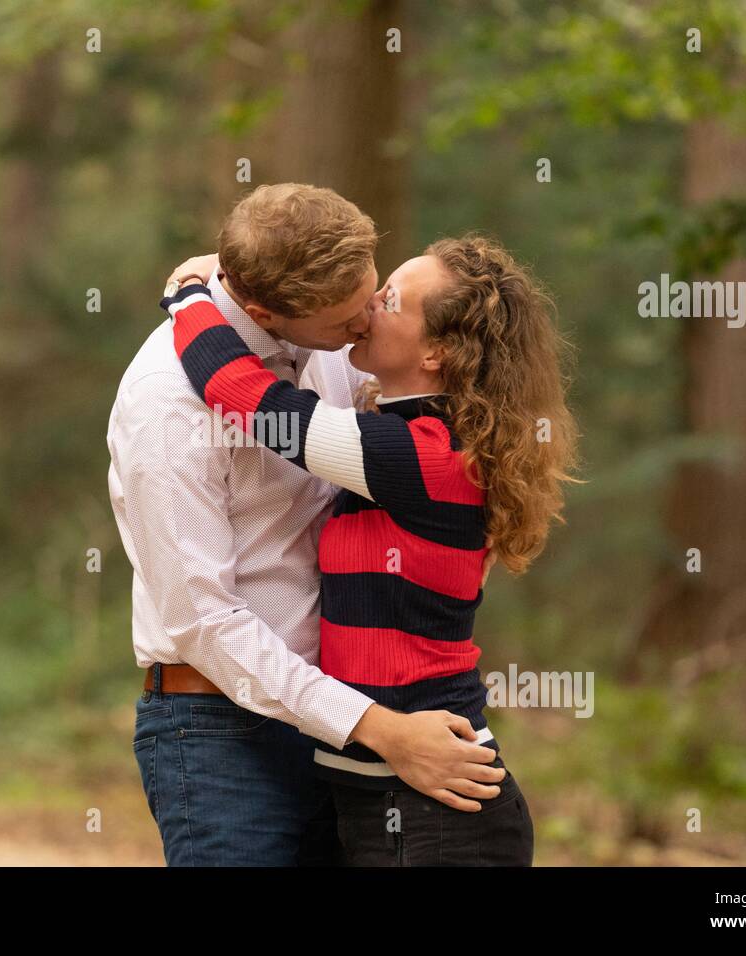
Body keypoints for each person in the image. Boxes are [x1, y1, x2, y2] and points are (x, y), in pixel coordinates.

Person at [106, 184, 506, 866]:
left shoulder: (339, 353)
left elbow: (281, 411)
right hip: (222, 731)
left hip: (347, 728)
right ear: (266, 311)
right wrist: (378, 727)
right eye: (349, 319)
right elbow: (202, 620)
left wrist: (188, 295)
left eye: (375, 302)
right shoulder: (166, 405)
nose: (368, 325)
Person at [160, 232, 578, 865]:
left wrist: (190, 295)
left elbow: (249, 399)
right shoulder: (398, 434)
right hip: (383, 794)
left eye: (389, 299)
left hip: (437, 810)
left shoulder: (421, 455)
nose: (366, 307)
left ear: (437, 350)